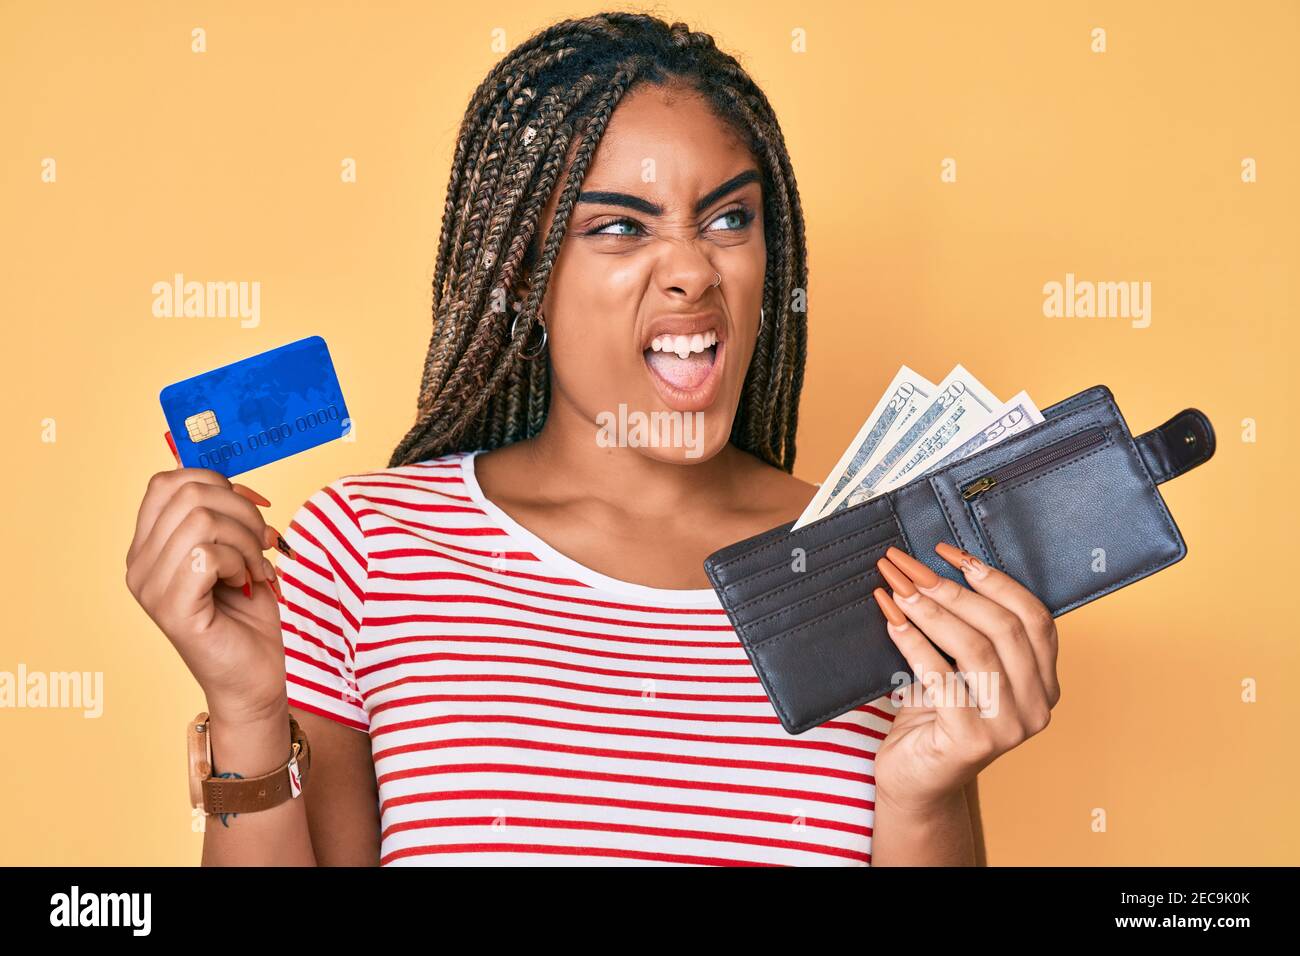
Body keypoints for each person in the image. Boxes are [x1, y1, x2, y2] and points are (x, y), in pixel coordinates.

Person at [126, 12, 1058, 866]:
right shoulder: (366, 550)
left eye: (730, 218)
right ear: (528, 270)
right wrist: (247, 710)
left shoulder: (883, 566)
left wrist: (927, 798)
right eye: (620, 227)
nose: (693, 270)